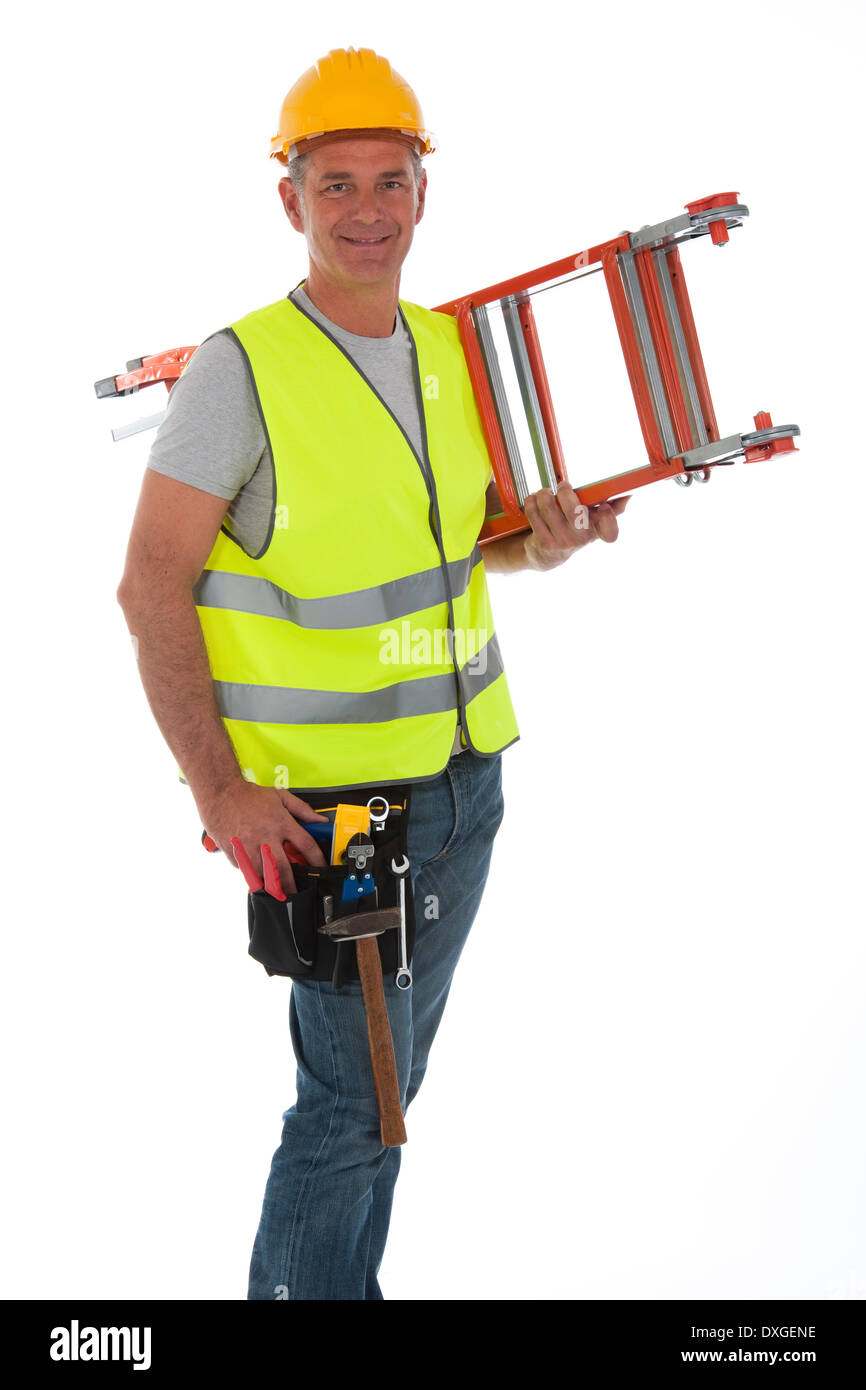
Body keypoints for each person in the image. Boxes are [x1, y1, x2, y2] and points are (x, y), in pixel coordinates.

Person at [116, 46, 629, 1300]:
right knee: (351, 1113)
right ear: (288, 201)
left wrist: (538, 542)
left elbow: (445, 549)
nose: (364, 209)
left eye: (386, 180)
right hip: (343, 813)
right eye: (333, 182)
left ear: (420, 194)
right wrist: (217, 793)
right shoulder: (241, 371)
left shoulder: (452, 347)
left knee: (385, 1104)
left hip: (464, 786)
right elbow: (149, 584)